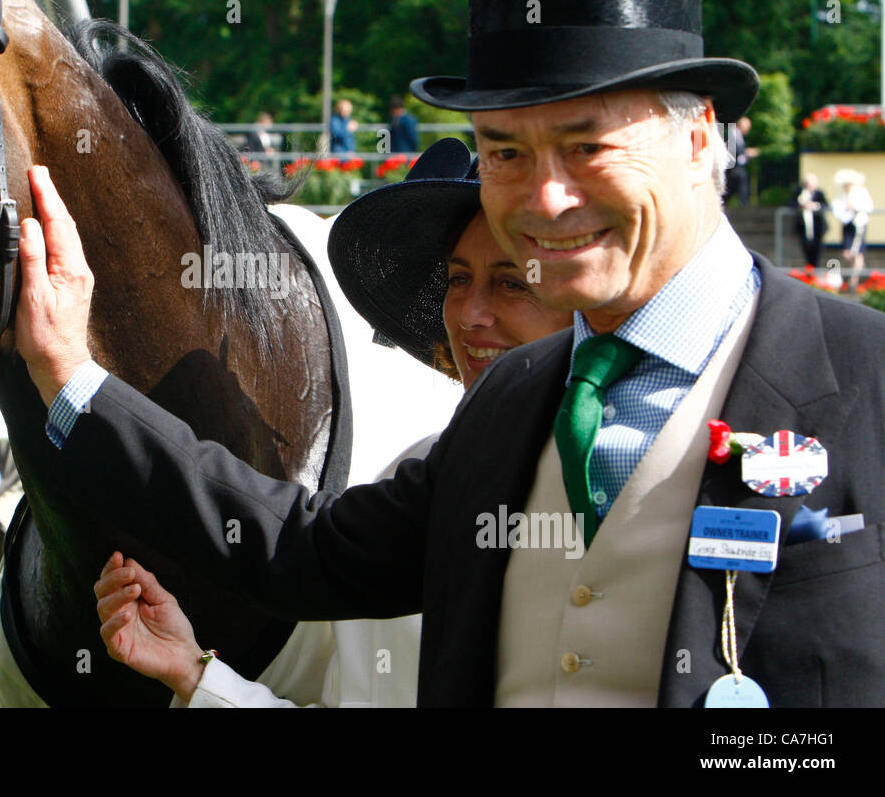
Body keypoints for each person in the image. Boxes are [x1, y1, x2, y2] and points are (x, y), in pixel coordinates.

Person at [14, 0, 885, 707]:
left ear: (699, 139)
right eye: (505, 152)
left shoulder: (867, 383)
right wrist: (75, 381)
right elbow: (301, 549)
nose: (543, 199)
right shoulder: (509, 403)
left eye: (587, 147)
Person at [94, 139, 572, 706]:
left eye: (513, 283)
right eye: (458, 279)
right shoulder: (414, 474)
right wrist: (193, 672)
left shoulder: (618, 480)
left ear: (587, 307)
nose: (468, 314)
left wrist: (78, 387)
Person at [832, 168, 873, 290]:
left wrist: (855, 207)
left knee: (857, 252)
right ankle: (858, 268)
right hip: (847, 223)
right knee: (847, 252)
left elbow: (869, 206)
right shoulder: (841, 195)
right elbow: (837, 209)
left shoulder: (861, 192)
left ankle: (854, 279)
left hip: (859, 224)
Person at [791, 173, 828, 269]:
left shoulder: (819, 193)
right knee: (806, 248)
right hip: (803, 226)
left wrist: (815, 205)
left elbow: (825, 205)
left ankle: (815, 270)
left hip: (817, 227)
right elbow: (791, 203)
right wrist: (801, 206)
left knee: (817, 250)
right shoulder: (799, 192)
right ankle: (809, 270)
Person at [723, 116, 753, 206]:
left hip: (735, 169)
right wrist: (746, 154)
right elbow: (732, 152)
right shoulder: (733, 134)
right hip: (734, 169)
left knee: (730, 190)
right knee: (741, 187)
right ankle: (744, 206)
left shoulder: (737, 135)